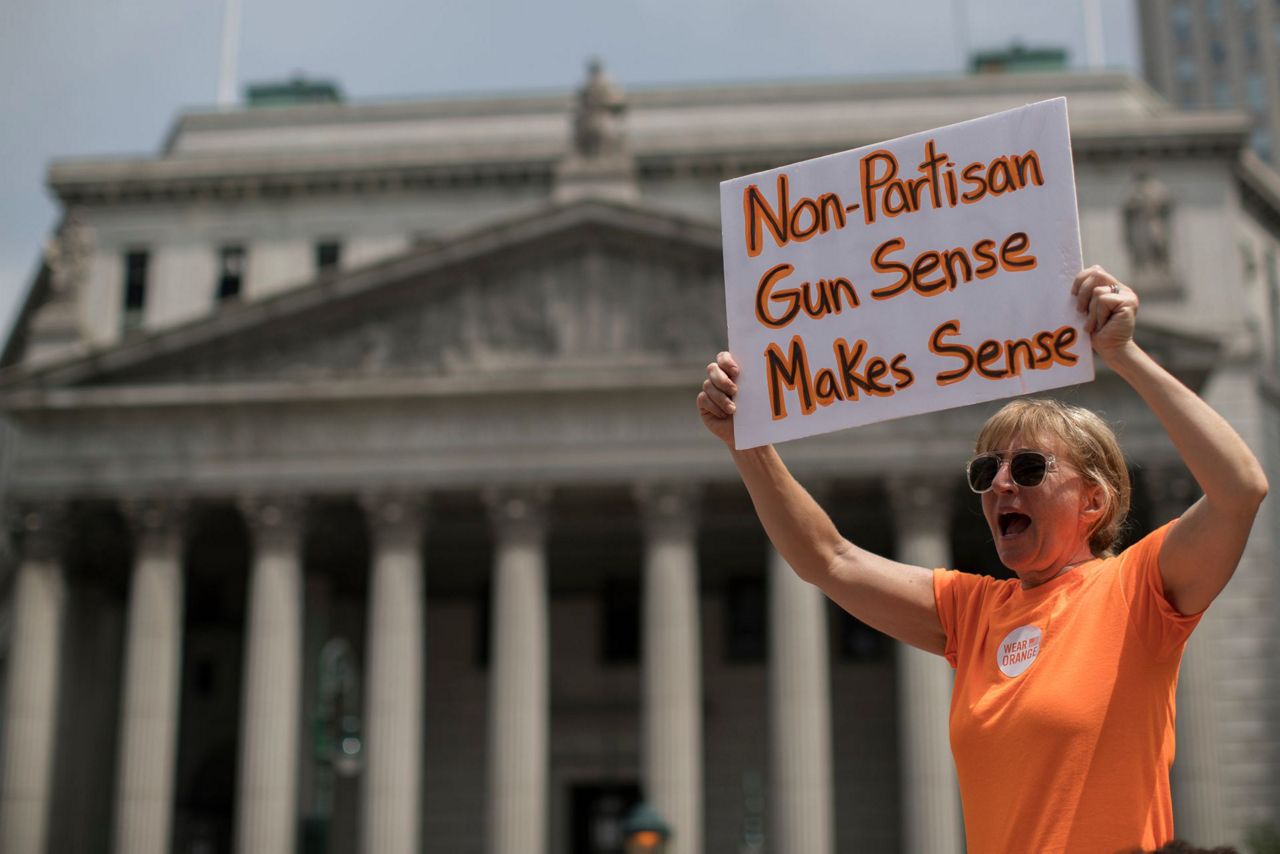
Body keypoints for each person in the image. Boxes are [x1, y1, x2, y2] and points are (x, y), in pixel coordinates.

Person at [696, 265, 1269, 854]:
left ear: (1094, 500)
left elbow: (1241, 489)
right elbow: (829, 559)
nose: (1000, 484)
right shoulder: (974, 613)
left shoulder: (1138, 588)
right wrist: (749, 445)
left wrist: (1123, 356)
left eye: (1027, 468)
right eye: (984, 471)